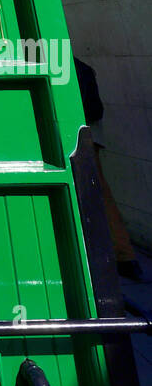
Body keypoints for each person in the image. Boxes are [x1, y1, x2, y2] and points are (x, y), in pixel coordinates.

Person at [75, 57, 143, 281]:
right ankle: (124, 255)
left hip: (80, 131)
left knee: (95, 190)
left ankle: (119, 254)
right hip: (90, 130)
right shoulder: (80, 65)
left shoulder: (63, 64)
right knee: (98, 189)